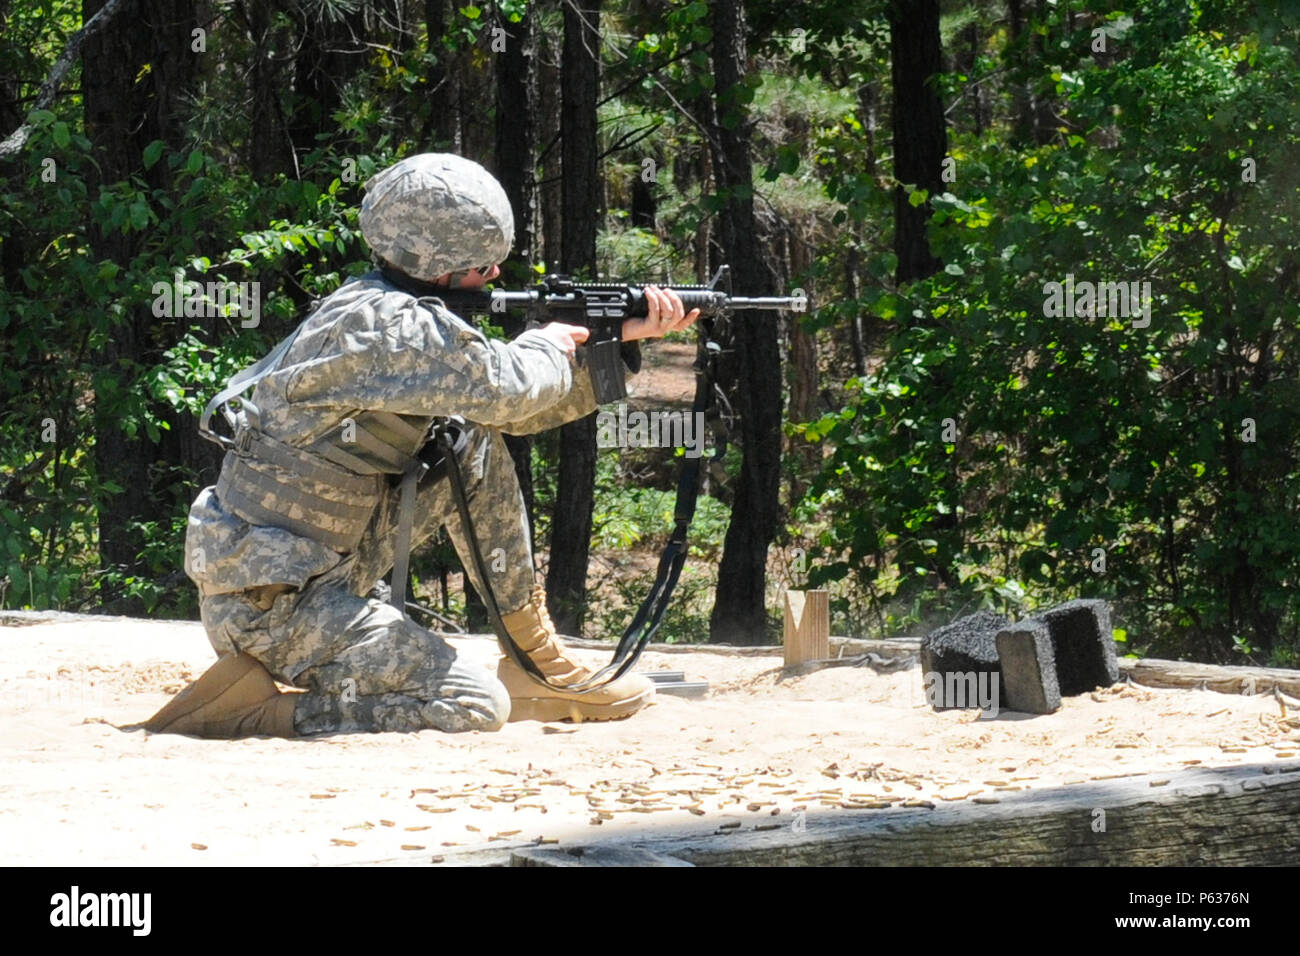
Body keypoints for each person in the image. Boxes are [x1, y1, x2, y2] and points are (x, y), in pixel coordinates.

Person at [141, 152, 699, 738]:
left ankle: (533, 663)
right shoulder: (386, 327)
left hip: (311, 570)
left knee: (470, 440)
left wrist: (618, 340)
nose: (493, 276)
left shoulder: (379, 306)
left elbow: (511, 412)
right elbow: (511, 388)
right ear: (442, 261)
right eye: (484, 264)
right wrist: (548, 341)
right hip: (271, 607)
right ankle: (254, 710)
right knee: (472, 705)